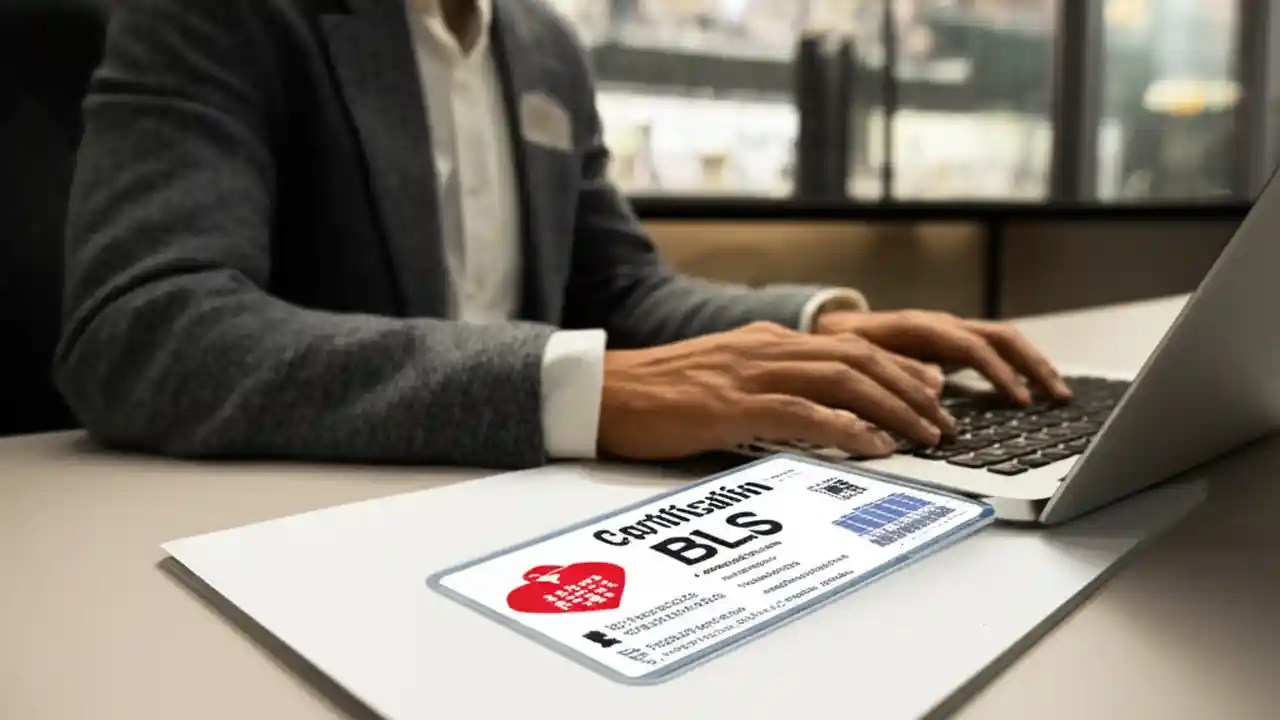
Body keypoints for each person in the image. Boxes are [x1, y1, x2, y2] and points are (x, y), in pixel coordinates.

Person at [55, 0, 1071, 468]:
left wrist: (819, 327)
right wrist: (586, 389)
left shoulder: (541, 42)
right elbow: (147, 330)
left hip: (529, 508)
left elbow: (617, 293)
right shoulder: (217, 16)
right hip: (296, 528)